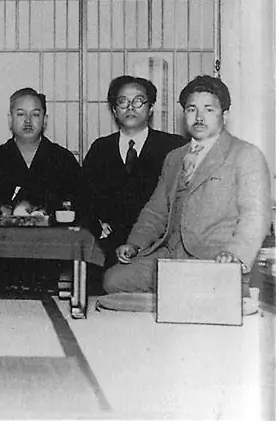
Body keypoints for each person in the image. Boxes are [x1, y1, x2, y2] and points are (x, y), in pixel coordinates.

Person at [103, 75, 272, 294]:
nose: (199, 117)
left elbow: (255, 215)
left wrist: (236, 254)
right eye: (192, 109)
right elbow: (156, 211)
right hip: (170, 255)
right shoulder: (174, 157)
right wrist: (134, 244)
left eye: (209, 110)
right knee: (115, 280)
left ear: (225, 115)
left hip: (215, 258)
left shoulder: (245, 154)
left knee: (187, 293)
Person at [79, 76, 187, 267]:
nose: (130, 107)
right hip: (108, 244)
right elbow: (83, 196)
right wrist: (96, 226)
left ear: (150, 108)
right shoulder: (100, 148)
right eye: (122, 101)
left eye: (138, 101)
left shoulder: (173, 146)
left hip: (159, 244)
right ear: (114, 110)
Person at [0, 88, 81, 212]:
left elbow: (80, 206)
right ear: (10, 119)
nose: (28, 120)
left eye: (35, 114)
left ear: (45, 120)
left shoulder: (63, 160)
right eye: (21, 114)